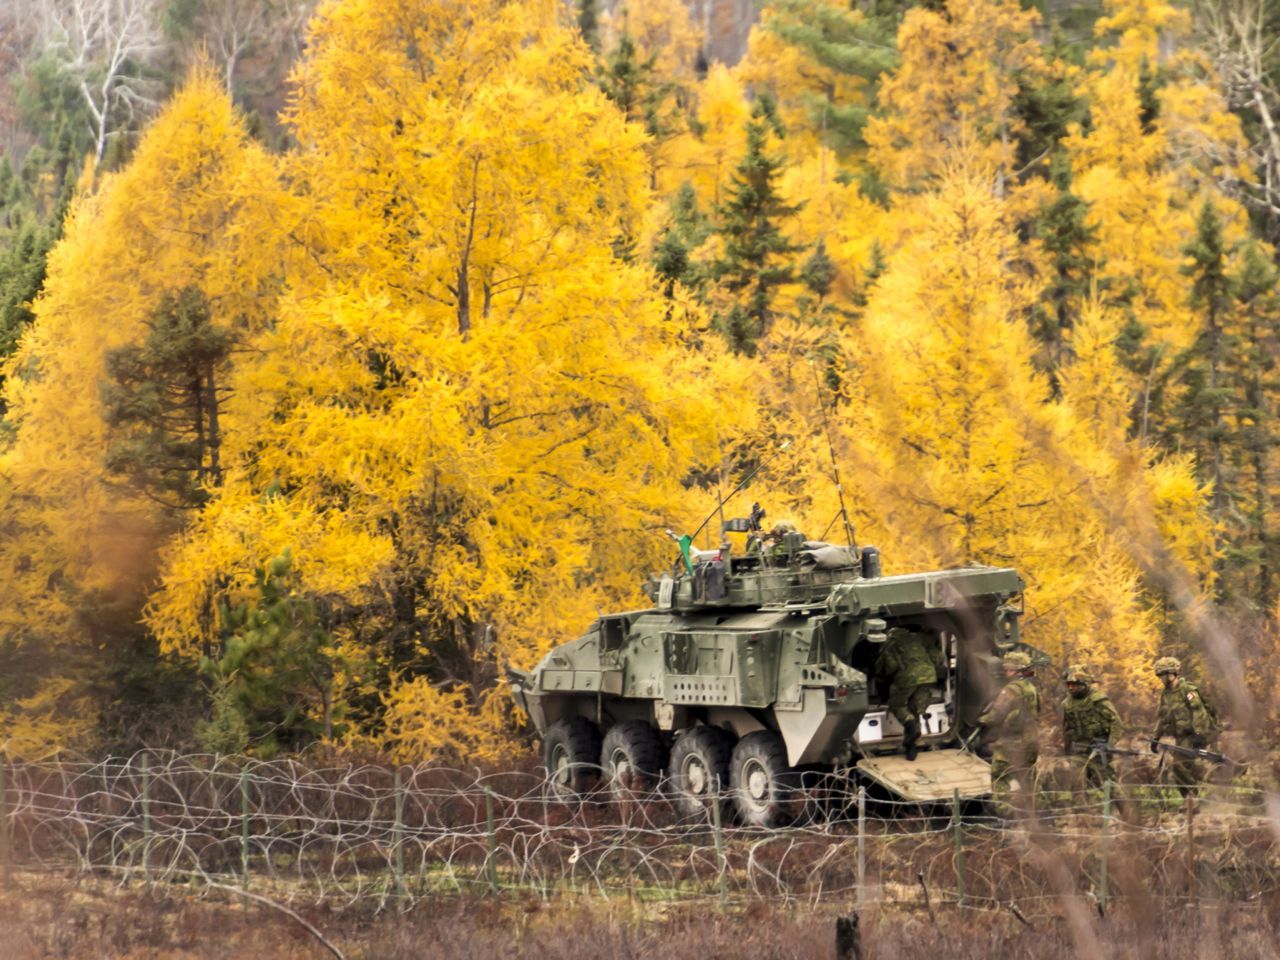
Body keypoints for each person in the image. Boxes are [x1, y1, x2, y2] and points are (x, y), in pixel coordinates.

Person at [979, 650, 1040, 819]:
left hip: (1012, 742)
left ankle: (1004, 814)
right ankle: (1033, 813)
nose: (1006, 673)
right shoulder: (1031, 688)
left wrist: (980, 721)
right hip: (1031, 740)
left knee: (1000, 777)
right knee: (1027, 776)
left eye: (1009, 670)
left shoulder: (1010, 690)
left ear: (1017, 671)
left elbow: (996, 716)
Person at [1151, 656, 1219, 796]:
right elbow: (1162, 718)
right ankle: (1188, 800)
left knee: (1178, 766)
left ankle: (1193, 798)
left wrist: (1199, 734)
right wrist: (1155, 738)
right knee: (1179, 769)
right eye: (1160, 676)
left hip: (1193, 735)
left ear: (1173, 674)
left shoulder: (1187, 690)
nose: (1162, 679)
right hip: (1180, 737)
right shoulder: (1166, 694)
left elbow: (1199, 712)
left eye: (1164, 675)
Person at [874, 626, 945, 761]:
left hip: (907, 678)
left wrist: (881, 682)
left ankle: (910, 724)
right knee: (915, 709)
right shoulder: (919, 638)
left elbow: (888, 666)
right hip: (928, 676)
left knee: (897, 705)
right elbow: (937, 656)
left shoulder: (890, 643)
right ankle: (911, 747)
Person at [1060, 665, 1122, 788]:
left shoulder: (1097, 699)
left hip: (1099, 747)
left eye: (1074, 684)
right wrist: (1067, 751)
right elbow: (1067, 729)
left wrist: (1109, 744)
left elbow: (1116, 722)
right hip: (1079, 748)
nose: (1071, 688)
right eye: (1069, 685)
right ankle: (1084, 807)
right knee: (1076, 783)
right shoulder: (1066, 704)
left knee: (1105, 783)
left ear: (1085, 684)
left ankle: (1124, 807)